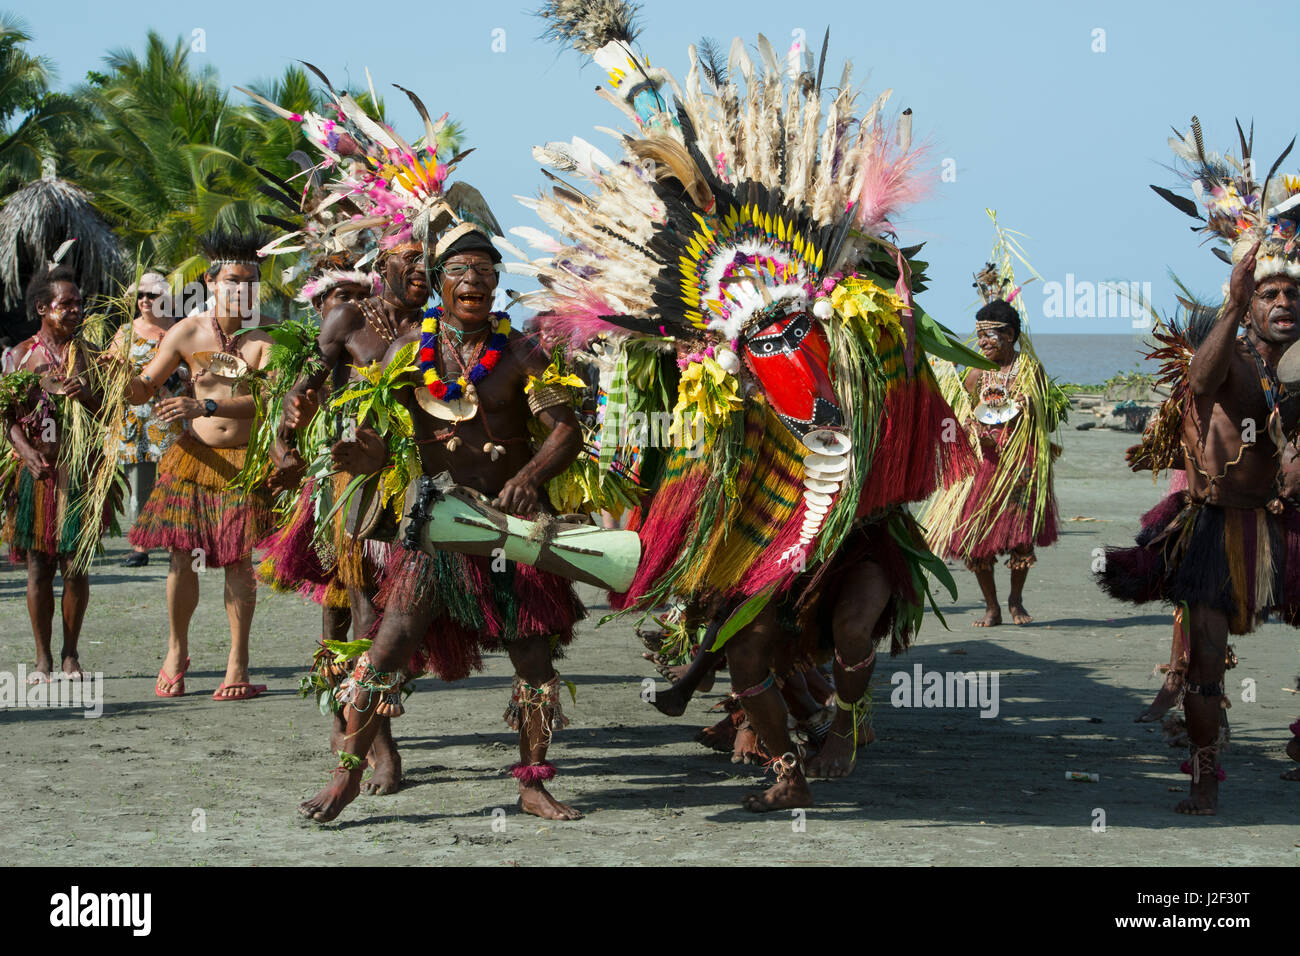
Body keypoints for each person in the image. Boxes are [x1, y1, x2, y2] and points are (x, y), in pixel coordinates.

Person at [525, 4, 979, 808]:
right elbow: (670, 453)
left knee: (847, 628)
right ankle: (784, 771)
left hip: (860, 529)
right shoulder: (700, 369)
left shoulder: (859, 325)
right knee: (746, 652)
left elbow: (901, 401)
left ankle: (846, 719)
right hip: (764, 532)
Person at [298, 231, 587, 823]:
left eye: (485, 269)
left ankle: (532, 784)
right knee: (387, 647)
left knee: (533, 657)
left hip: (510, 525)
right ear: (441, 280)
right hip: (439, 520)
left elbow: (566, 430)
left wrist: (529, 477)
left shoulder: (522, 350)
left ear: (497, 283)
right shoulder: (406, 350)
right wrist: (367, 457)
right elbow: (388, 435)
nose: (473, 280)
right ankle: (346, 776)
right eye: (460, 269)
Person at [1099, 122, 1300, 812]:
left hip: (1290, 523)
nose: (1282, 306)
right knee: (1208, 663)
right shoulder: (1228, 355)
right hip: (1222, 525)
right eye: (1269, 296)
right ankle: (1206, 774)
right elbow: (1201, 381)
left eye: (1290, 296)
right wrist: (1235, 300)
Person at [121, 228, 275, 701]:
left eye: (250, 280)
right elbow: (142, 389)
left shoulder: (266, 336)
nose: (241, 289)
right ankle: (175, 650)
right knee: (181, 557)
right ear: (210, 281)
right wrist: (113, 377)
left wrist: (203, 408)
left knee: (237, 561)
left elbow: (265, 401)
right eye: (232, 280)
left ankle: (238, 663)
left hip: (244, 464)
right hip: (193, 461)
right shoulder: (187, 331)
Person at [920, 263, 1062, 627]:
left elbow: (1044, 411)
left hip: (1020, 461)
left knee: (1020, 536)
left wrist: (1029, 408)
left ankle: (1015, 600)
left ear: (1010, 335)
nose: (982, 342)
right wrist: (966, 428)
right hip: (984, 460)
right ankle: (991, 605)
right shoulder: (976, 370)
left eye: (989, 336)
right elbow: (964, 409)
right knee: (975, 536)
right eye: (979, 335)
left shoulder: (1030, 369)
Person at [1, 263, 107, 682]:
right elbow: (5, 414)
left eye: (79, 303)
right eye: (67, 304)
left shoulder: (92, 356)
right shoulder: (21, 355)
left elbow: (110, 414)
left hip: (78, 473)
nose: (76, 311)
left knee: (76, 566)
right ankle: (43, 659)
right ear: (43, 308)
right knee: (38, 567)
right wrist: (25, 451)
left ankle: (70, 654)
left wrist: (89, 396)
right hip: (38, 474)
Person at [110, 271, 182, 568]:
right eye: (140, 296)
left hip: (170, 416)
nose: (144, 301)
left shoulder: (179, 329)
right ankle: (141, 544)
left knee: (173, 480)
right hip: (136, 421)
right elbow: (113, 375)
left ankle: (174, 537)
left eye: (151, 295)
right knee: (139, 485)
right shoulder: (125, 332)